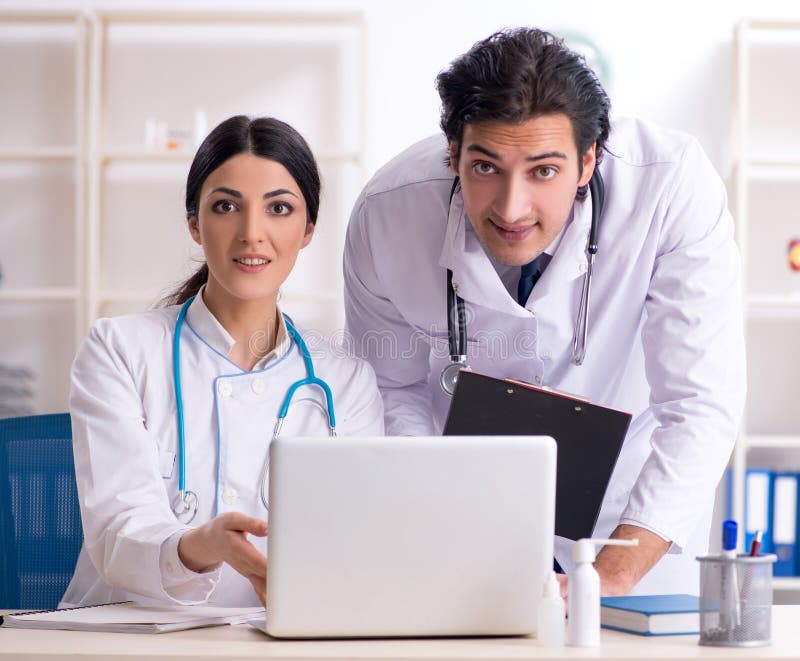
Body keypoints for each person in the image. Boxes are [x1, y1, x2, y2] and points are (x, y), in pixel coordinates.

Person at [343, 28, 745, 597]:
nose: (512, 209)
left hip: (629, 517)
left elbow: (700, 403)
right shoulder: (389, 214)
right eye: (486, 168)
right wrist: (437, 519)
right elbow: (391, 390)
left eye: (543, 171)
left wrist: (610, 577)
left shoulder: (670, 187)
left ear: (588, 160)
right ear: (453, 152)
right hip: (462, 512)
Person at [62, 115, 384, 608]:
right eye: (226, 206)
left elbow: (359, 542)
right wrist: (199, 546)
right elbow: (118, 534)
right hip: (129, 632)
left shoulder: (345, 382)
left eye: (279, 208)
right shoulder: (119, 350)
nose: (252, 233)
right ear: (195, 224)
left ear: (307, 230)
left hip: (276, 634)